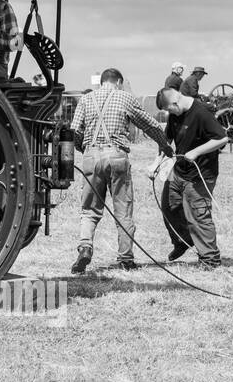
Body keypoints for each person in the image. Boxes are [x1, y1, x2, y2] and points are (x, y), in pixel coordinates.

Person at [68, 68, 173, 273]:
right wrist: (165, 145)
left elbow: (74, 132)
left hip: (90, 156)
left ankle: (85, 247)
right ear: (118, 82)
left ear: (102, 81)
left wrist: (87, 151)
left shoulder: (86, 99)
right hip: (116, 156)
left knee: (89, 210)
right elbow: (149, 124)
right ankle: (125, 258)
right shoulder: (125, 97)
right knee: (123, 210)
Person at [154, 86, 229, 268]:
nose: (168, 113)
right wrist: (156, 163)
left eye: (168, 109)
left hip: (200, 174)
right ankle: (182, 241)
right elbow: (167, 142)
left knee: (198, 215)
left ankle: (210, 259)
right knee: (169, 207)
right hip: (179, 171)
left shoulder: (201, 113)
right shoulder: (175, 115)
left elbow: (222, 138)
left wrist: (196, 151)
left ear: (175, 102)